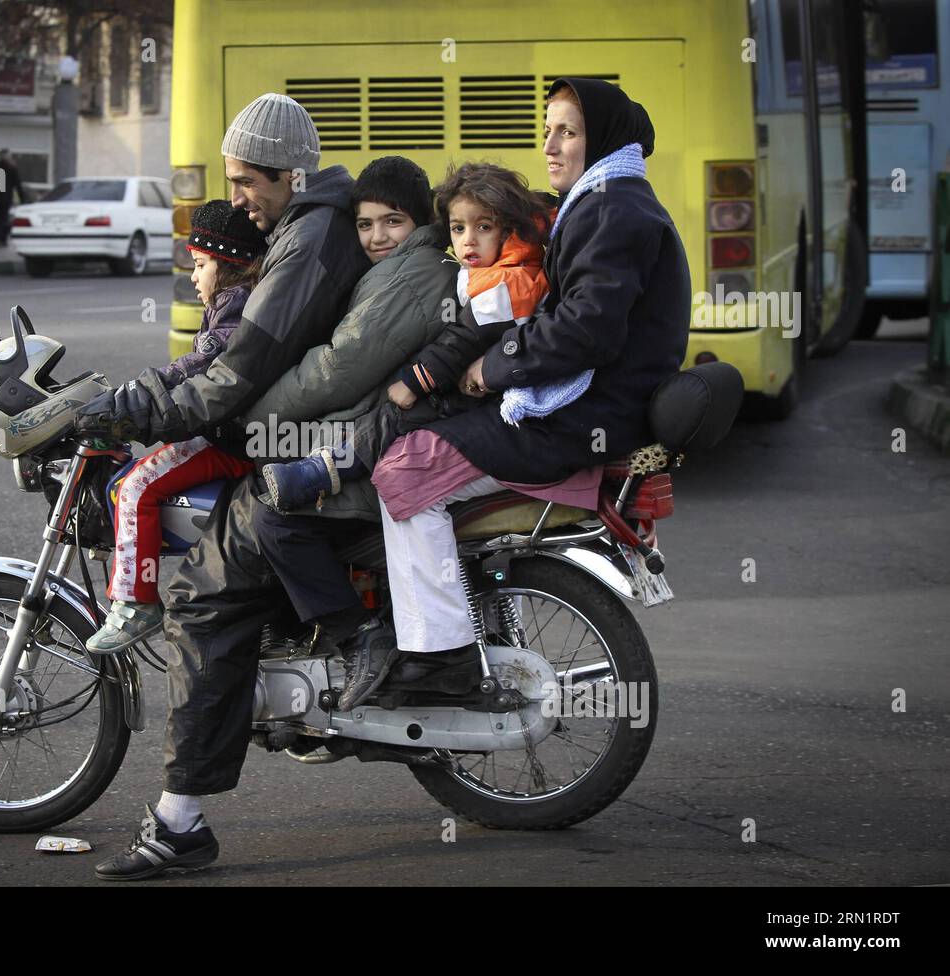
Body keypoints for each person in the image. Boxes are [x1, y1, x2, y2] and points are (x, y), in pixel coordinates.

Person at [82, 92, 369, 880]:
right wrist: (148, 399)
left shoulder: (307, 241)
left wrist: (146, 415)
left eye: (247, 181)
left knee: (202, 600)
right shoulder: (303, 227)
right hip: (305, 436)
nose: (237, 199)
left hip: (301, 449)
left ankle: (180, 825)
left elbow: (240, 369)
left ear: (290, 173)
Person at [368, 77, 693, 690]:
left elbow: (587, 328)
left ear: (601, 142)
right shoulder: (606, 201)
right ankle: (481, 619)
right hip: (597, 407)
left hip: (582, 416)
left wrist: (493, 367)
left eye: (567, 132)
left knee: (405, 469)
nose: (549, 145)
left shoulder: (613, 209)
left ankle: (441, 657)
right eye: (547, 130)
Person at [260, 162, 556, 517]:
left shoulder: (507, 283)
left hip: (485, 399)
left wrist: (415, 380)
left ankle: (321, 473)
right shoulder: (491, 272)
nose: (468, 241)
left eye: (484, 228)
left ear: (508, 231)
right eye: (458, 228)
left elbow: (464, 339)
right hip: (479, 390)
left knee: (395, 418)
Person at [85, 201, 268, 653]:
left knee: (136, 484)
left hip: (230, 439)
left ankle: (135, 602)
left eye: (201, 264)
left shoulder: (236, 304)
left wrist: (146, 390)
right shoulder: (236, 300)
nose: (193, 275)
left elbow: (201, 364)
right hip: (234, 432)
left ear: (228, 266)